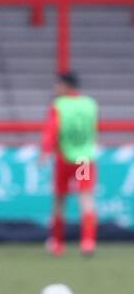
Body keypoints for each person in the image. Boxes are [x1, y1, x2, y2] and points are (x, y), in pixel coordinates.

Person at [42, 71, 99, 256]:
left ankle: (57, 243)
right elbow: (92, 129)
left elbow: (52, 129)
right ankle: (88, 242)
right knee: (86, 198)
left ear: (66, 86)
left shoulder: (59, 105)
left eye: (58, 85)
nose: (56, 88)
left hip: (65, 157)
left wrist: (45, 150)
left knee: (59, 200)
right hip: (84, 158)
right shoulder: (90, 104)